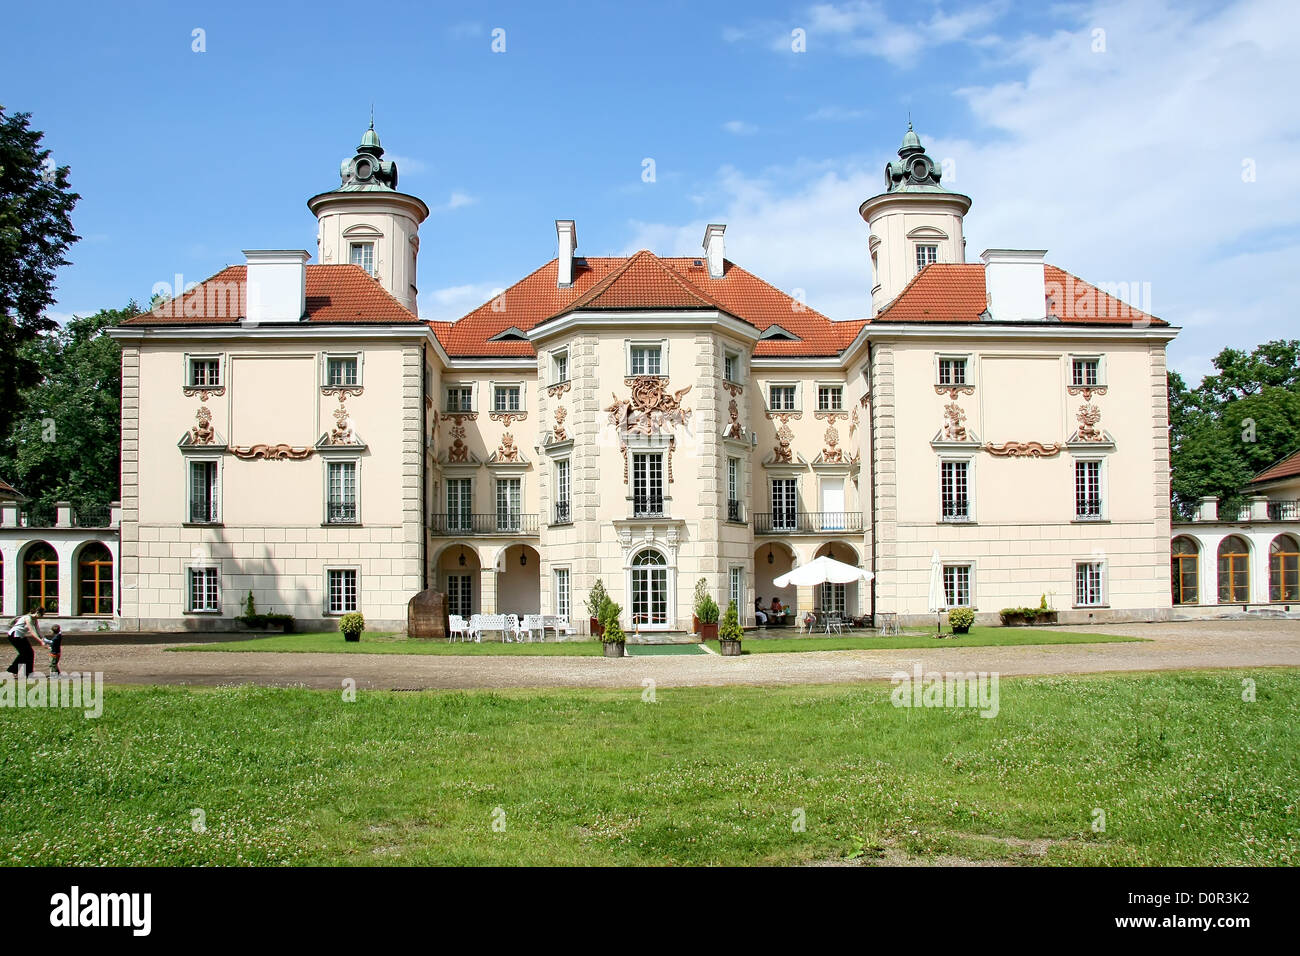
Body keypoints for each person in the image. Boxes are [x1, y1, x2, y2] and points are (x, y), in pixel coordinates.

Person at [6, 607, 48, 677]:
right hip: (14, 635)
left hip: (21, 636)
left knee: (30, 653)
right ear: (37, 612)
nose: (42, 616)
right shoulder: (28, 618)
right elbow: (32, 631)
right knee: (24, 654)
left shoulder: (35, 620)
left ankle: (29, 672)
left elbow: (38, 631)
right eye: (42, 614)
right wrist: (41, 641)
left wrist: (44, 639)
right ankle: (13, 670)